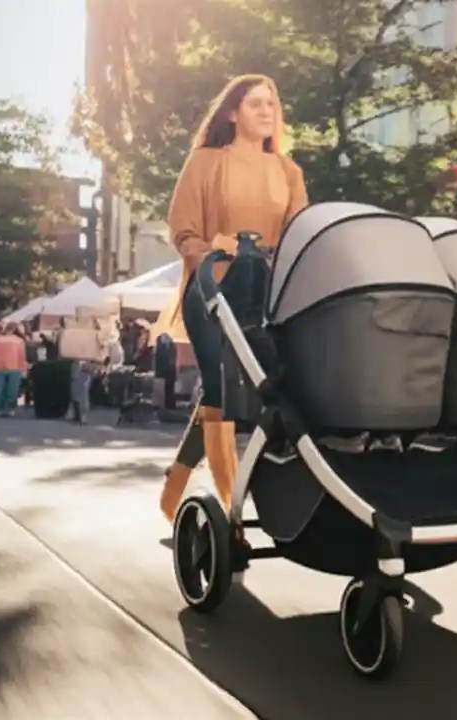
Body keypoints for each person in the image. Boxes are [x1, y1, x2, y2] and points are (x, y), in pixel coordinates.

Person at [155, 74, 308, 530]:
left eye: (271, 104)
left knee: (257, 392)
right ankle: (230, 508)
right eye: (255, 103)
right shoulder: (206, 161)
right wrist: (214, 250)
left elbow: (300, 234)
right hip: (212, 287)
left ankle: (173, 488)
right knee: (222, 393)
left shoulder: (289, 171)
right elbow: (181, 230)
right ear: (231, 112)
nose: (266, 111)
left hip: (266, 294)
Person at [0, 322, 28, 417]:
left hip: (0, 367)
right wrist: (24, 369)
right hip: (15, 367)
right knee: (12, 390)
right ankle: (9, 409)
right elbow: (22, 356)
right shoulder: (19, 341)